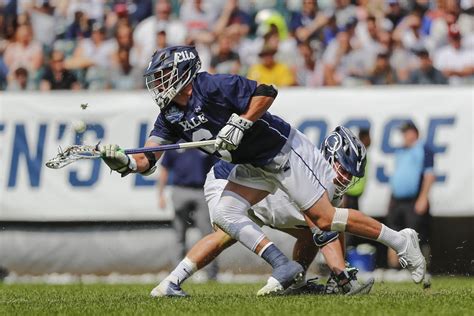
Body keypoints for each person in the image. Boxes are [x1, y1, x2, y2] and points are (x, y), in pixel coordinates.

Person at [99, 45, 425, 296]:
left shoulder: (211, 85)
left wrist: (240, 122)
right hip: (250, 165)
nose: (157, 83)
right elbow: (147, 159)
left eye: (162, 75)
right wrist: (124, 162)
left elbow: (266, 92)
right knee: (225, 214)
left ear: (181, 73)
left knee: (324, 219)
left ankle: (400, 241)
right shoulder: (170, 115)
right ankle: (287, 269)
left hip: (282, 151)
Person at [151, 127, 375, 297]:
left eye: (350, 173)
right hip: (231, 179)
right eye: (343, 169)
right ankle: (172, 281)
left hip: (267, 197)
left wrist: (339, 270)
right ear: (330, 158)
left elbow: (332, 224)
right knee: (225, 235)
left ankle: (296, 284)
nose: (346, 177)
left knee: (314, 231)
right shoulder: (312, 173)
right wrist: (341, 273)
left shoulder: (327, 184)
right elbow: (325, 227)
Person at [157, 148, 218, 281]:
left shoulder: (204, 139)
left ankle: (211, 274)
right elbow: (164, 168)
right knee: (179, 234)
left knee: (208, 234)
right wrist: (160, 194)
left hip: (202, 191)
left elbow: (217, 167)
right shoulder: (177, 142)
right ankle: (177, 275)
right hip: (180, 190)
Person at [387, 120, 434, 286]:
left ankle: (420, 269)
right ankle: (395, 269)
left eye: (406, 132)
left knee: (415, 235)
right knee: (393, 233)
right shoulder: (400, 151)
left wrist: (423, 198)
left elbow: (429, 175)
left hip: (413, 200)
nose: (404, 136)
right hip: (397, 200)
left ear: (414, 133)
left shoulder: (423, 149)